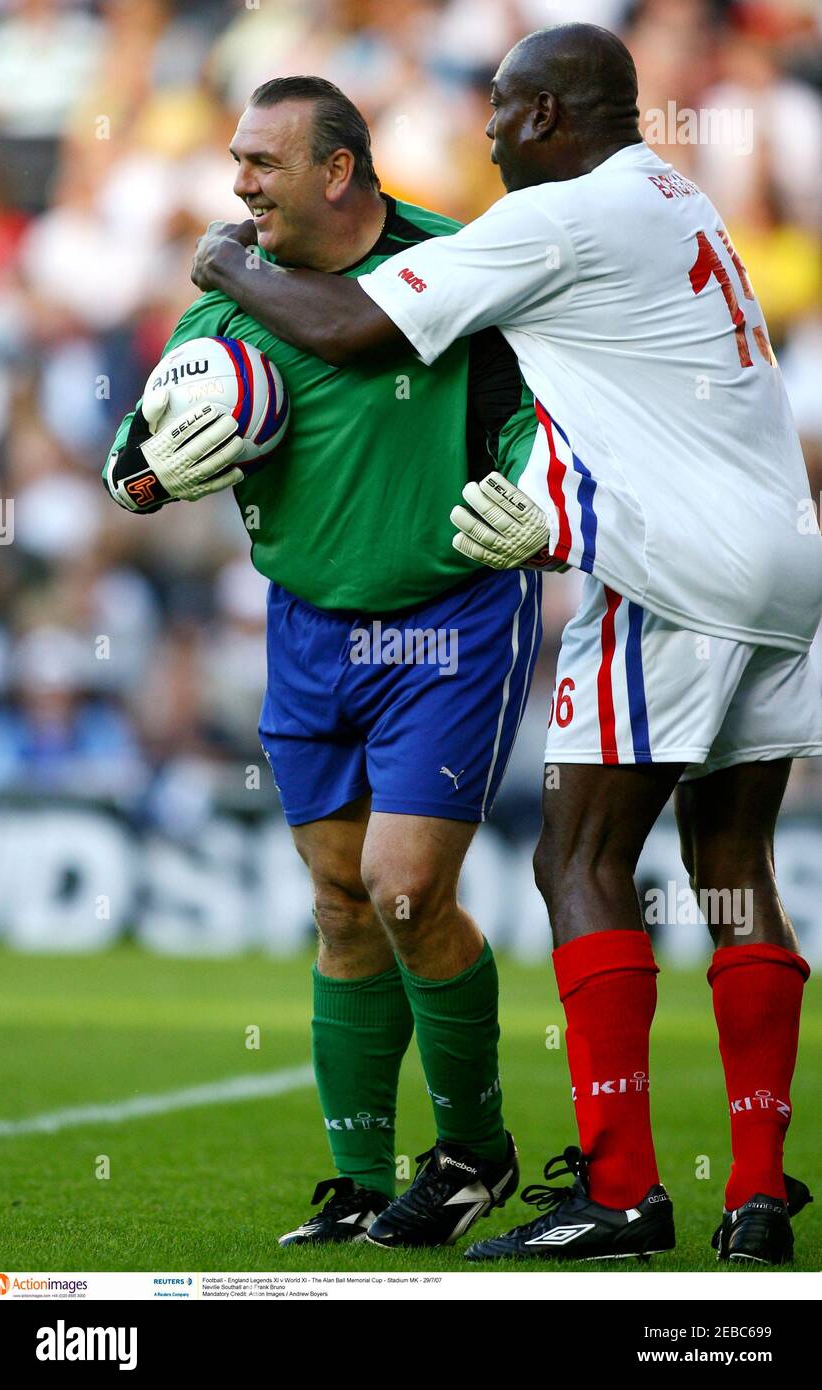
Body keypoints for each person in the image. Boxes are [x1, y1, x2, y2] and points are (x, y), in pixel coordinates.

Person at [191, 27, 822, 1265]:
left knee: (578, 863)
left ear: (545, 115)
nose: (479, 133)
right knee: (735, 865)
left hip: (671, 568)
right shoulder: (670, 192)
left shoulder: (562, 216)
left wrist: (225, 266)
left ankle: (624, 1192)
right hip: (784, 557)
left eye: (496, 109)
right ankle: (753, 1192)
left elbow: (354, 330)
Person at [104, 77, 545, 1250]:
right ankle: (358, 1176)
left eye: (261, 162)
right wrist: (152, 471)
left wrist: (531, 491)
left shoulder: (457, 264)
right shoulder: (222, 313)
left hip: (446, 619)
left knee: (405, 888)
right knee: (342, 908)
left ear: (337, 171)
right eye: (235, 159)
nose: (237, 184)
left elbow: (527, 412)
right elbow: (130, 464)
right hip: (304, 627)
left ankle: (472, 1155)